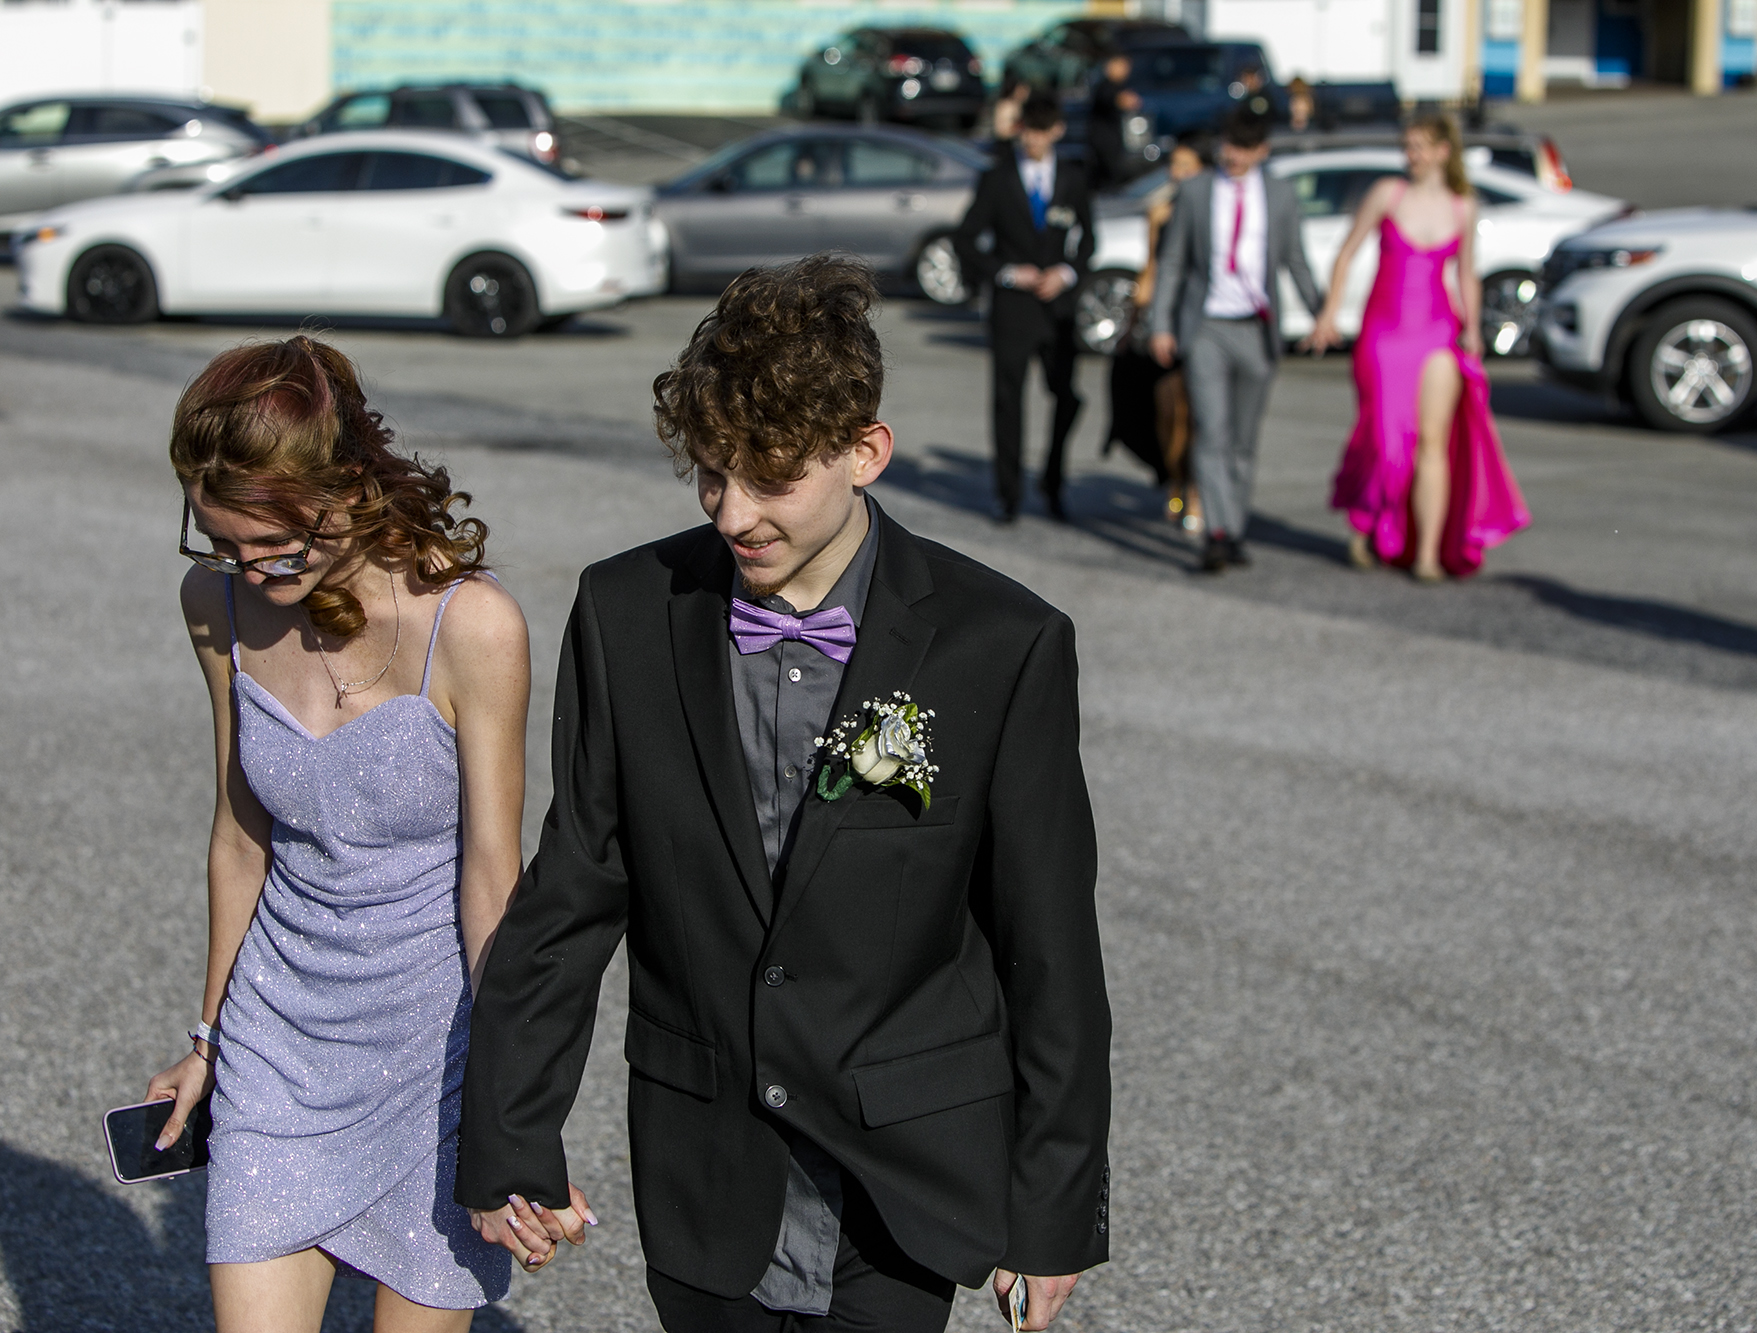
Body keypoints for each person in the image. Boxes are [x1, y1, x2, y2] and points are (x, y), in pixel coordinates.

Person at [456, 255, 1114, 1333]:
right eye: (710, 474)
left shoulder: (1002, 643)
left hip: (901, 1180)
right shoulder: (627, 612)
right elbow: (573, 889)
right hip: (704, 1162)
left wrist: (1053, 1207)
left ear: (865, 453)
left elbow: (1047, 944)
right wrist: (511, 1134)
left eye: (769, 476)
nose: (732, 511)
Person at [144, 336, 539, 1332]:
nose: (245, 567)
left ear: (350, 484)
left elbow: (494, 877)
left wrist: (513, 1106)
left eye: (272, 543)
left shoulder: (473, 625)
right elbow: (240, 837)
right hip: (278, 1048)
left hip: (431, 1059)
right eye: (221, 542)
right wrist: (209, 1036)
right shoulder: (215, 605)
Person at [1310, 113, 1530, 581]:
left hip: (1437, 330)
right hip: (1384, 332)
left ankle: (1428, 552)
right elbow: (1347, 251)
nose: (1411, 155)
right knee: (1387, 437)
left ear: (1443, 152)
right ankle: (1370, 520)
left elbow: (1467, 271)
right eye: (1407, 145)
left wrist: (1472, 328)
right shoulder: (1388, 194)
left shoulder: (1462, 206)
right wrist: (1329, 313)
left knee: (1433, 442)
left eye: (1420, 146)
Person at [1149, 107, 1321, 572]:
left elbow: (1295, 261)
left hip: (1257, 329)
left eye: (1245, 149)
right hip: (1206, 327)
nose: (1235, 157)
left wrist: (1320, 311)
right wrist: (1160, 323)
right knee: (1211, 430)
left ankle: (1235, 525)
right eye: (1229, 146)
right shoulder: (1196, 192)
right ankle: (1216, 533)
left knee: (1243, 440)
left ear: (1263, 150)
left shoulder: (1281, 195)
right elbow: (1173, 261)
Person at [952, 91, 1096, 522]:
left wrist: (1066, 272)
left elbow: (1088, 240)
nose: (1032, 141)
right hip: (1013, 307)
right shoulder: (997, 178)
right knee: (1008, 401)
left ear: (1057, 131)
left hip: (1058, 310)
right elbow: (966, 239)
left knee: (1065, 395)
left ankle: (1054, 480)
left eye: (1041, 132)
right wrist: (1006, 272)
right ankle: (1008, 492)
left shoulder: (1073, 178)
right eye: (1026, 132)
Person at [1104, 140, 1207, 531]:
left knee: (1198, 414)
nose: (1177, 173)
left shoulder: (1212, 214)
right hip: (1164, 323)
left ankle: (1195, 489)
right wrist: (1133, 322)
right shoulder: (1160, 213)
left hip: (1200, 323)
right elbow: (1151, 266)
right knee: (1167, 411)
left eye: (1187, 165)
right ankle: (1174, 477)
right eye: (1174, 165)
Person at [1086, 53, 1141, 188]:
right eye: (1122, 66)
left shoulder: (1119, 86)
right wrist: (1124, 100)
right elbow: (1111, 98)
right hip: (1104, 142)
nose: (1126, 70)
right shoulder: (1105, 86)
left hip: (1112, 140)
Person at [989, 73, 1030, 144]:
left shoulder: (1018, 105)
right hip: (1004, 144)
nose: (1025, 93)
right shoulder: (1007, 106)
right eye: (1022, 90)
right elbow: (1001, 131)